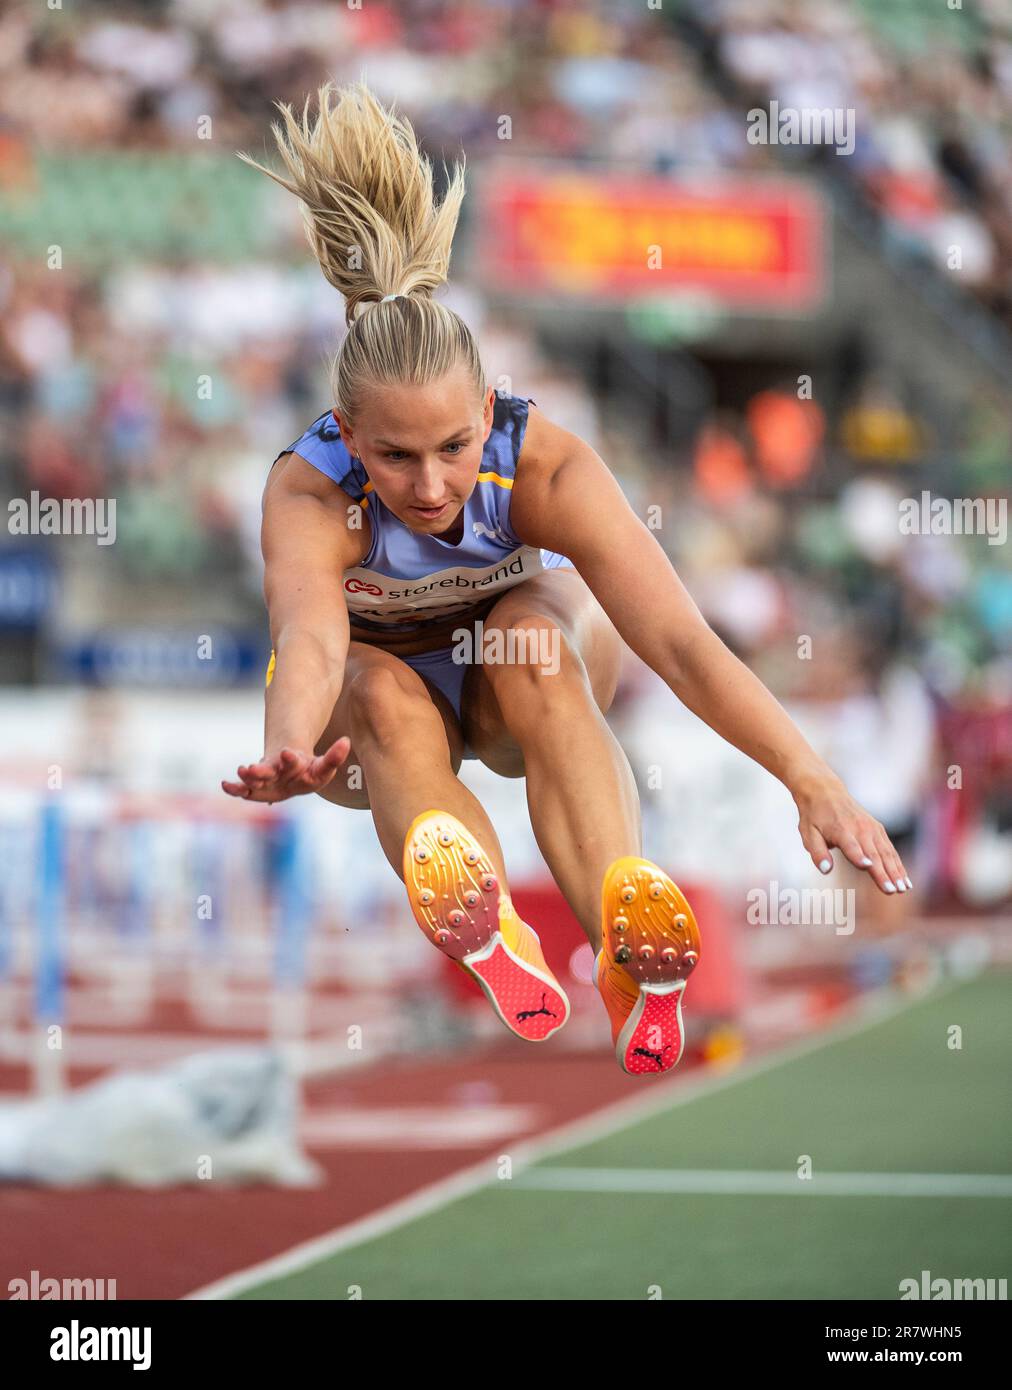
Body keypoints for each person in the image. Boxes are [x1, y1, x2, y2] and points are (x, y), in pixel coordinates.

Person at [222, 81, 912, 1076]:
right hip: (378, 706)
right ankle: (490, 927)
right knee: (378, 691)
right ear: (346, 434)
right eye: (397, 458)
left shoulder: (543, 465)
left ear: (489, 406)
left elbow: (677, 641)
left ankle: (625, 942)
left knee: (535, 638)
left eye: (454, 447)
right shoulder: (307, 490)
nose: (431, 485)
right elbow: (312, 633)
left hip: (525, 677)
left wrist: (810, 778)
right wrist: (287, 748)